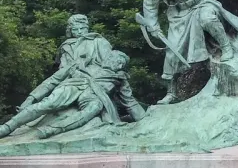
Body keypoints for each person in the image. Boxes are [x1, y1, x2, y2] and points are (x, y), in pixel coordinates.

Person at [142, 0, 238, 104]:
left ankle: (226, 47)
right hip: (180, 15)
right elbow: (150, 2)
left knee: (208, 19)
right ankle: (171, 92)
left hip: (203, 3)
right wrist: (152, 25)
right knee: (172, 51)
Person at [0, 51, 143, 139]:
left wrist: (144, 121)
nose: (117, 63)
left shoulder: (120, 79)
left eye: (121, 63)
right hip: (73, 87)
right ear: (106, 58)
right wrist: (31, 98)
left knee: (94, 108)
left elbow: (130, 102)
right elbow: (52, 81)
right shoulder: (82, 64)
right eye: (114, 58)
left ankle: (51, 130)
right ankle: (7, 127)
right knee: (47, 104)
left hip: (95, 95)